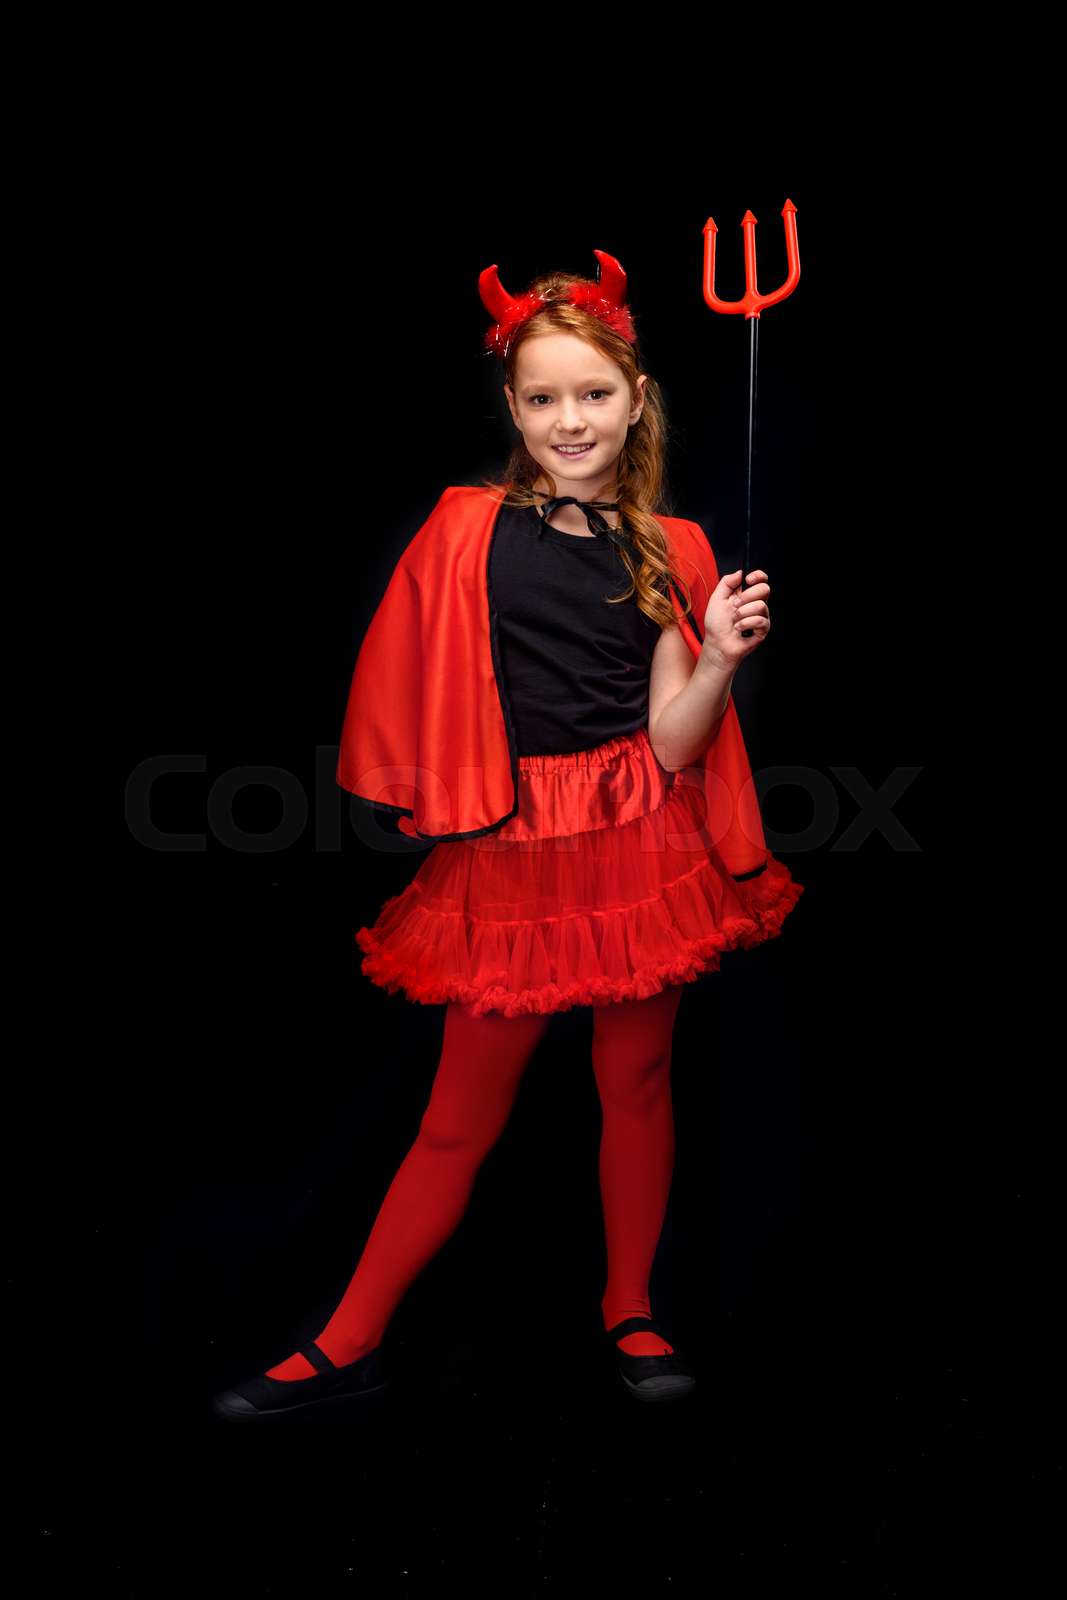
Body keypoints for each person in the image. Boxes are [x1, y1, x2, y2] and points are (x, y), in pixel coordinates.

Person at [211, 248, 804, 1420]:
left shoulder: (674, 547)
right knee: (455, 1118)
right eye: (542, 397)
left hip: (638, 840)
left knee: (635, 1076)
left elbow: (673, 743)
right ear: (512, 406)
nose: (568, 420)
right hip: (508, 844)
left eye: (592, 393)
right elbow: (419, 674)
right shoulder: (464, 528)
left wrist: (720, 661)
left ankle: (629, 1308)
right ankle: (347, 1336)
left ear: (634, 397)